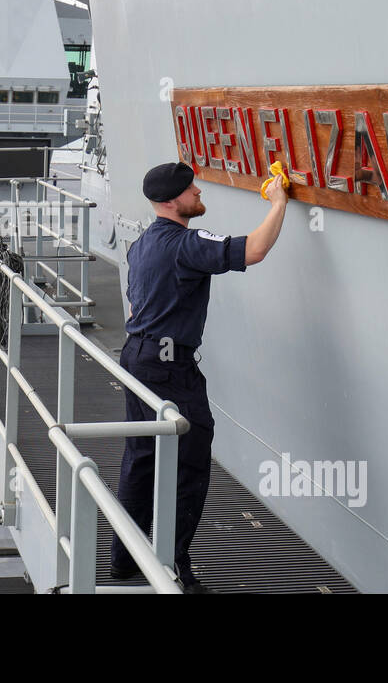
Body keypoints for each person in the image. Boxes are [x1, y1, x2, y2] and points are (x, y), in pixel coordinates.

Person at [109, 161, 288, 594]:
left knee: (142, 455)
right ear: (172, 201)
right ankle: (173, 569)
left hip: (137, 355)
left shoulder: (142, 243)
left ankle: (124, 559)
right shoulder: (185, 244)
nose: (198, 192)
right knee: (188, 463)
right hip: (169, 369)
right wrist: (279, 201)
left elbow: (135, 306)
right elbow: (254, 250)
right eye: (192, 190)